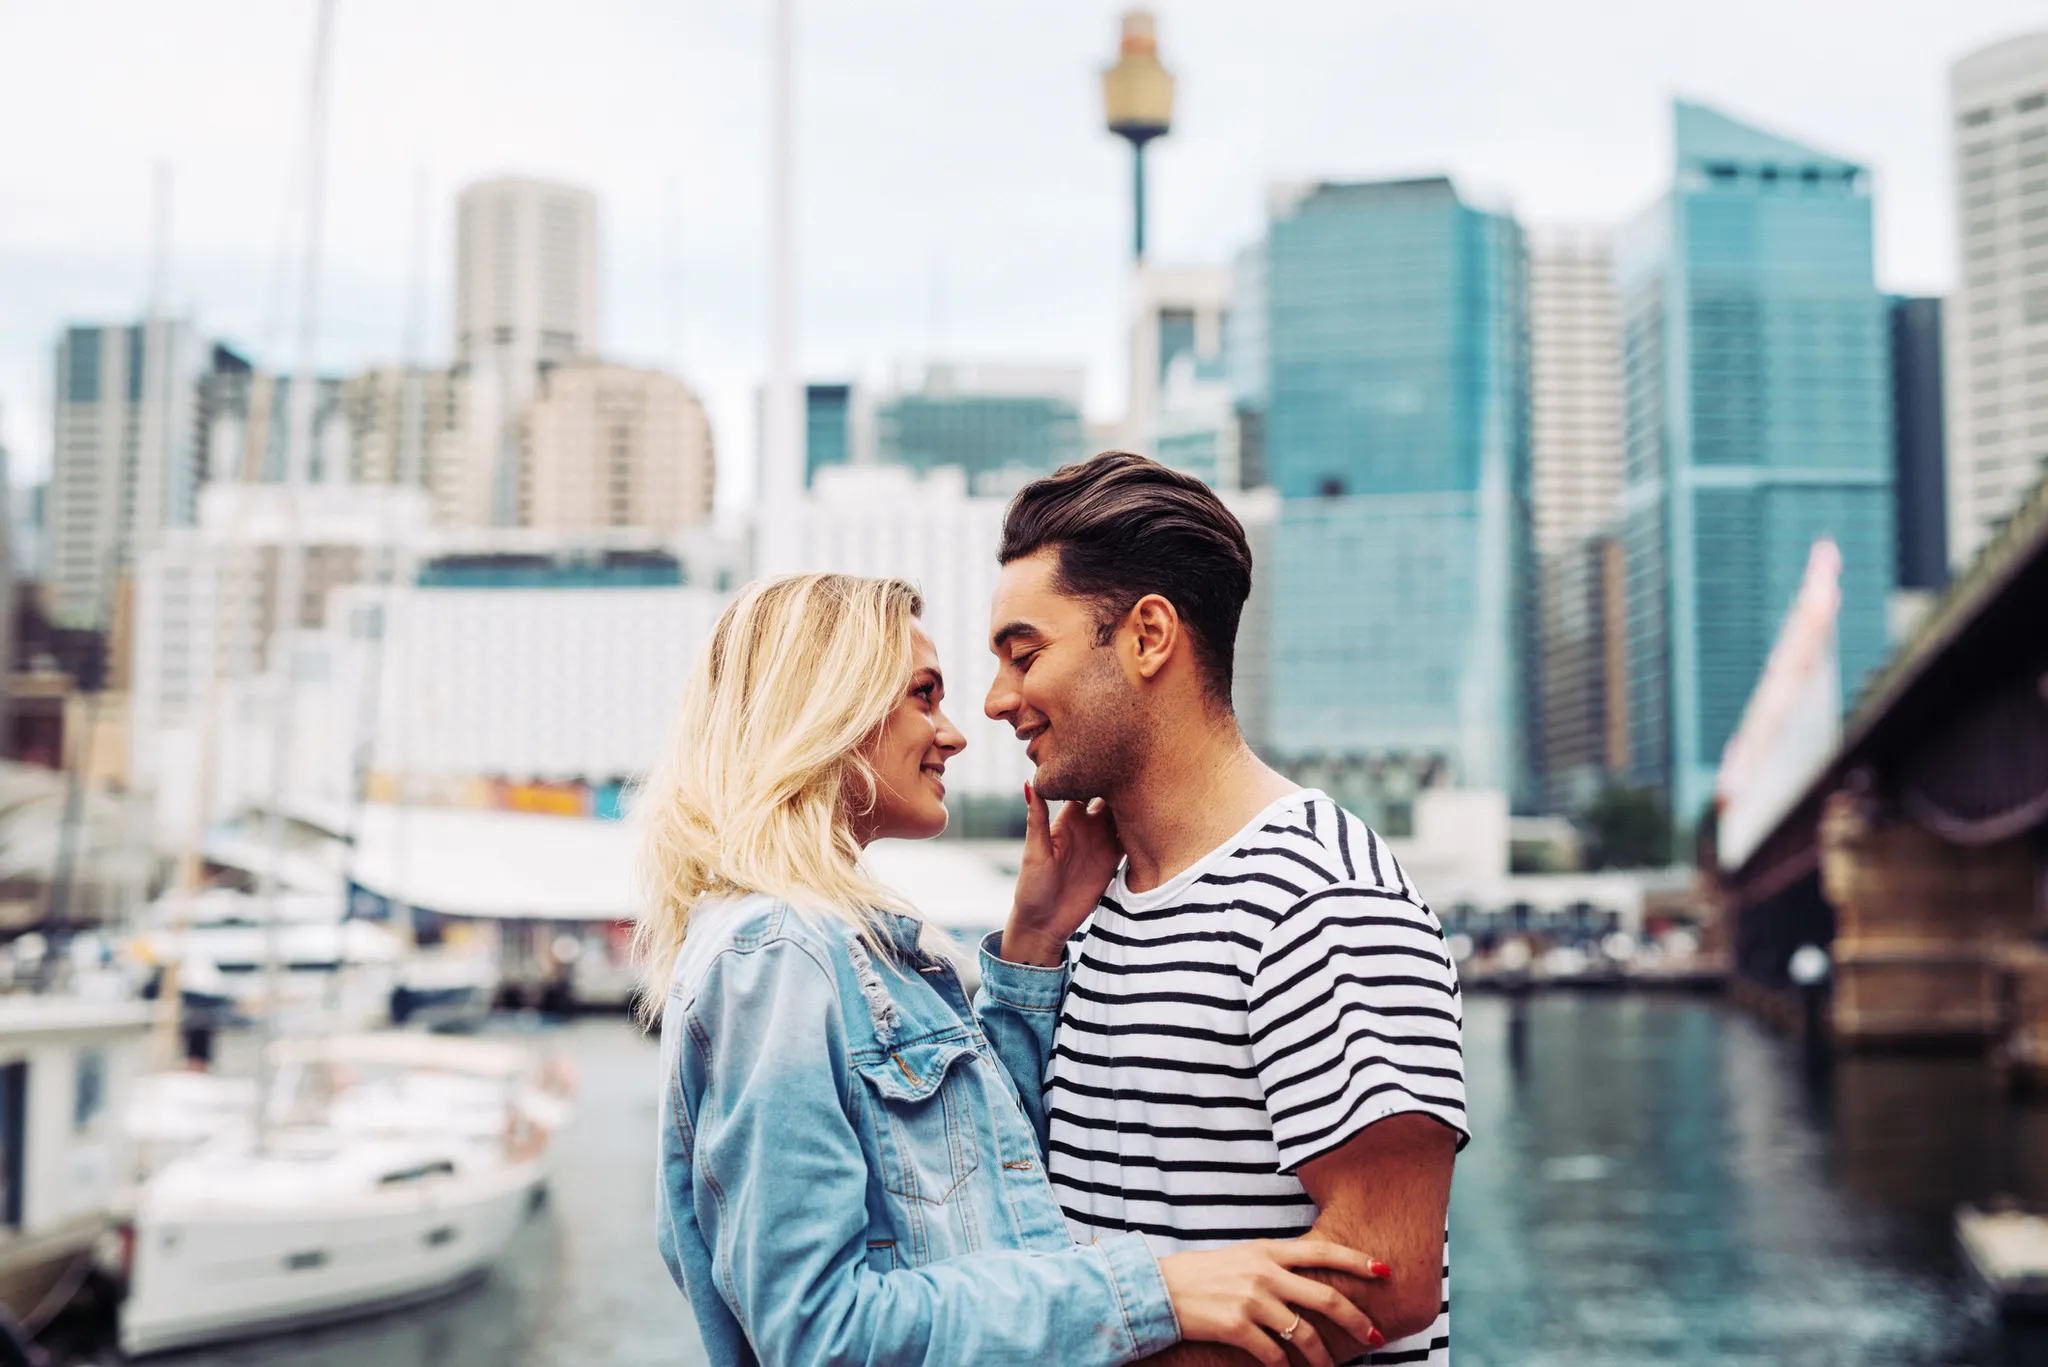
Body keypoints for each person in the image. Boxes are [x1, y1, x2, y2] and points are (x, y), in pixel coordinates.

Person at [639, 572, 1392, 1367]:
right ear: (825, 707)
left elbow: (982, 1187)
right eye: (924, 695)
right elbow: (819, 1333)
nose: (955, 733)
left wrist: (1032, 940)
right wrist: (1156, 1292)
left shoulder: (826, 945)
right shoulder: (777, 954)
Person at [978, 453, 1469, 1367]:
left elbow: (1385, 1278)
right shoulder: (1094, 903)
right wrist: (1034, 940)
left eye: (1025, 653)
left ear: (1148, 635)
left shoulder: (1320, 896)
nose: (998, 699)